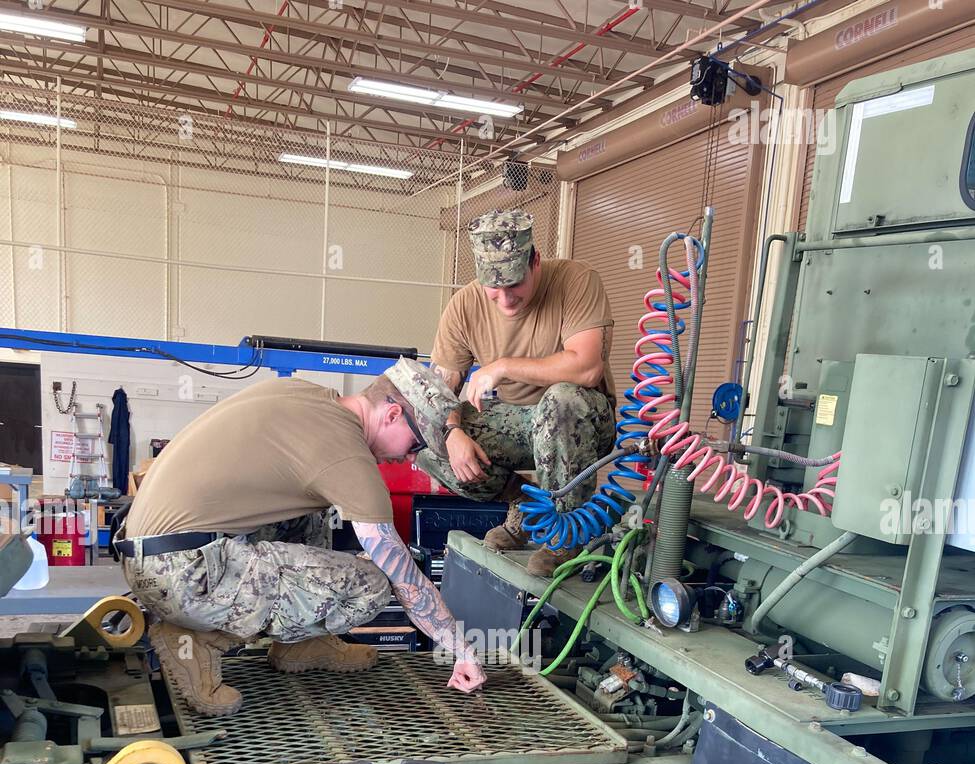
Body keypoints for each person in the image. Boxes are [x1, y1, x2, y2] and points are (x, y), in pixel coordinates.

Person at [116, 358, 486, 716]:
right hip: (182, 574)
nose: (408, 459)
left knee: (312, 513)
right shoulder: (347, 457)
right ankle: (200, 641)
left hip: (151, 555)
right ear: (392, 415)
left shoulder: (303, 396)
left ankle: (301, 645)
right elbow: (405, 579)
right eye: (416, 445)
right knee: (373, 584)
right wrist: (463, 651)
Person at [414, 207, 617, 577]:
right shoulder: (465, 305)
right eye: (495, 289)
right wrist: (452, 430)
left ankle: (565, 536)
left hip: (580, 419)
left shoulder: (576, 280)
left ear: (535, 261)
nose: (506, 300)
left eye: (515, 285)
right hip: (518, 426)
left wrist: (503, 366)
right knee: (423, 432)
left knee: (561, 400)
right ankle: (524, 502)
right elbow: (437, 389)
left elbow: (587, 367)